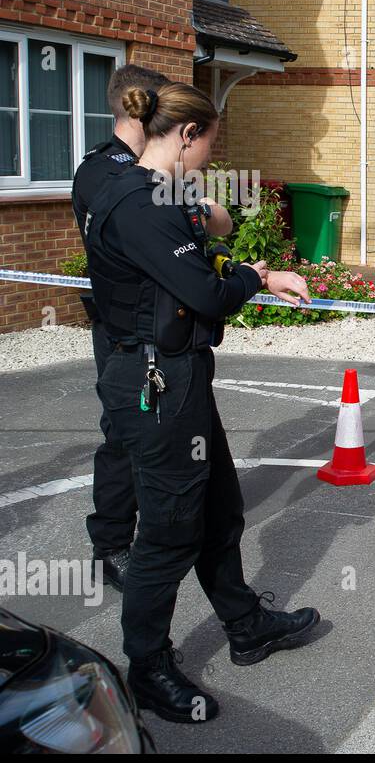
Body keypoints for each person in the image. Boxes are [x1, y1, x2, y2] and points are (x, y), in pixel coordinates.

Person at [85, 81, 319, 723]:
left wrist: (238, 265)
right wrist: (255, 276)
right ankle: (149, 667)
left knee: (218, 508)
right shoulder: (137, 202)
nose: (209, 163)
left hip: (177, 376)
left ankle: (245, 626)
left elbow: (199, 259)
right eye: (209, 149)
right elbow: (209, 294)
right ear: (186, 135)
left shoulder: (153, 194)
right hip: (153, 383)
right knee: (168, 532)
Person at [72, 64, 235, 593]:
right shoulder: (112, 176)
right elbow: (191, 262)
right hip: (139, 341)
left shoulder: (156, 179)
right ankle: (114, 543)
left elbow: (214, 223)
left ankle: (242, 618)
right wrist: (247, 274)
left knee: (208, 495)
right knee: (125, 441)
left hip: (169, 341)